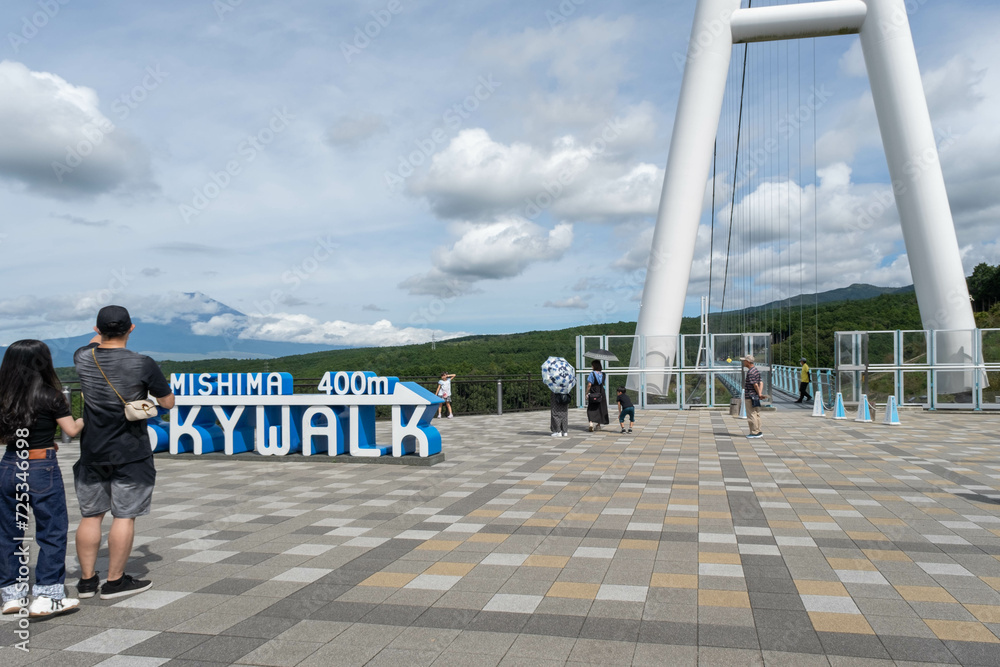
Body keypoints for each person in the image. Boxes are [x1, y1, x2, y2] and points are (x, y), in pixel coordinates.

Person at [73, 306, 174, 600]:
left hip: (92, 450)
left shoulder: (83, 357)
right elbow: (167, 403)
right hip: (131, 451)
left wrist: (98, 337)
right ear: (131, 328)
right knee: (124, 516)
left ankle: (87, 581)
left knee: (91, 516)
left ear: (96, 330)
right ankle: (115, 582)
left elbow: (94, 346)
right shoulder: (143, 363)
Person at [0, 340, 84, 617]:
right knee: (51, 531)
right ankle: (48, 595)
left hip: (10, 465)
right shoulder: (52, 395)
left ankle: (12, 595)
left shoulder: (3, 395)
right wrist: (88, 416)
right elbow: (71, 430)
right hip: (41, 467)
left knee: (9, 533)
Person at [741, 354, 763, 438]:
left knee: (751, 415)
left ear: (748, 362)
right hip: (755, 396)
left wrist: (759, 393)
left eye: (744, 361)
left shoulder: (750, 372)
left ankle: (754, 432)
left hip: (750, 396)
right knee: (757, 414)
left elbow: (755, 385)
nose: (743, 362)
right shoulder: (756, 370)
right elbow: (761, 383)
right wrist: (759, 394)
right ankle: (759, 430)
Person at [585, 360, 609, 432]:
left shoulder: (592, 374)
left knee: (591, 407)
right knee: (600, 407)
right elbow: (603, 384)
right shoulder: (603, 374)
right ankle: (598, 425)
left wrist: (586, 393)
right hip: (601, 392)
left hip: (593, 392)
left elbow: (589, 384)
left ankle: (591, 423)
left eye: (592, 365)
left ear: (594, 366)